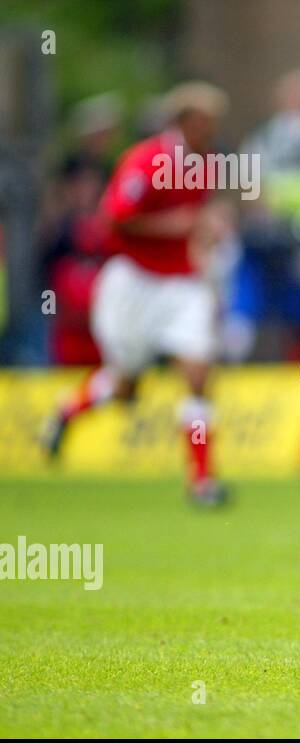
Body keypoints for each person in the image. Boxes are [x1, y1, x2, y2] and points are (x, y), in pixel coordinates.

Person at [43, 82, 232, 507]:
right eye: (206, 123)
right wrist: (180, 226)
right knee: (127, 385)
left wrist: (207, 243)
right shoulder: (146, 161)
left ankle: (202, 481)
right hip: (135, 283)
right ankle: (67, 411)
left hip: (182, 282)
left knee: (199, 375)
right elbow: (112, 221)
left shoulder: (209, 163)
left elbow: (194, 222)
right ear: (183, 122)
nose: (212, 131)